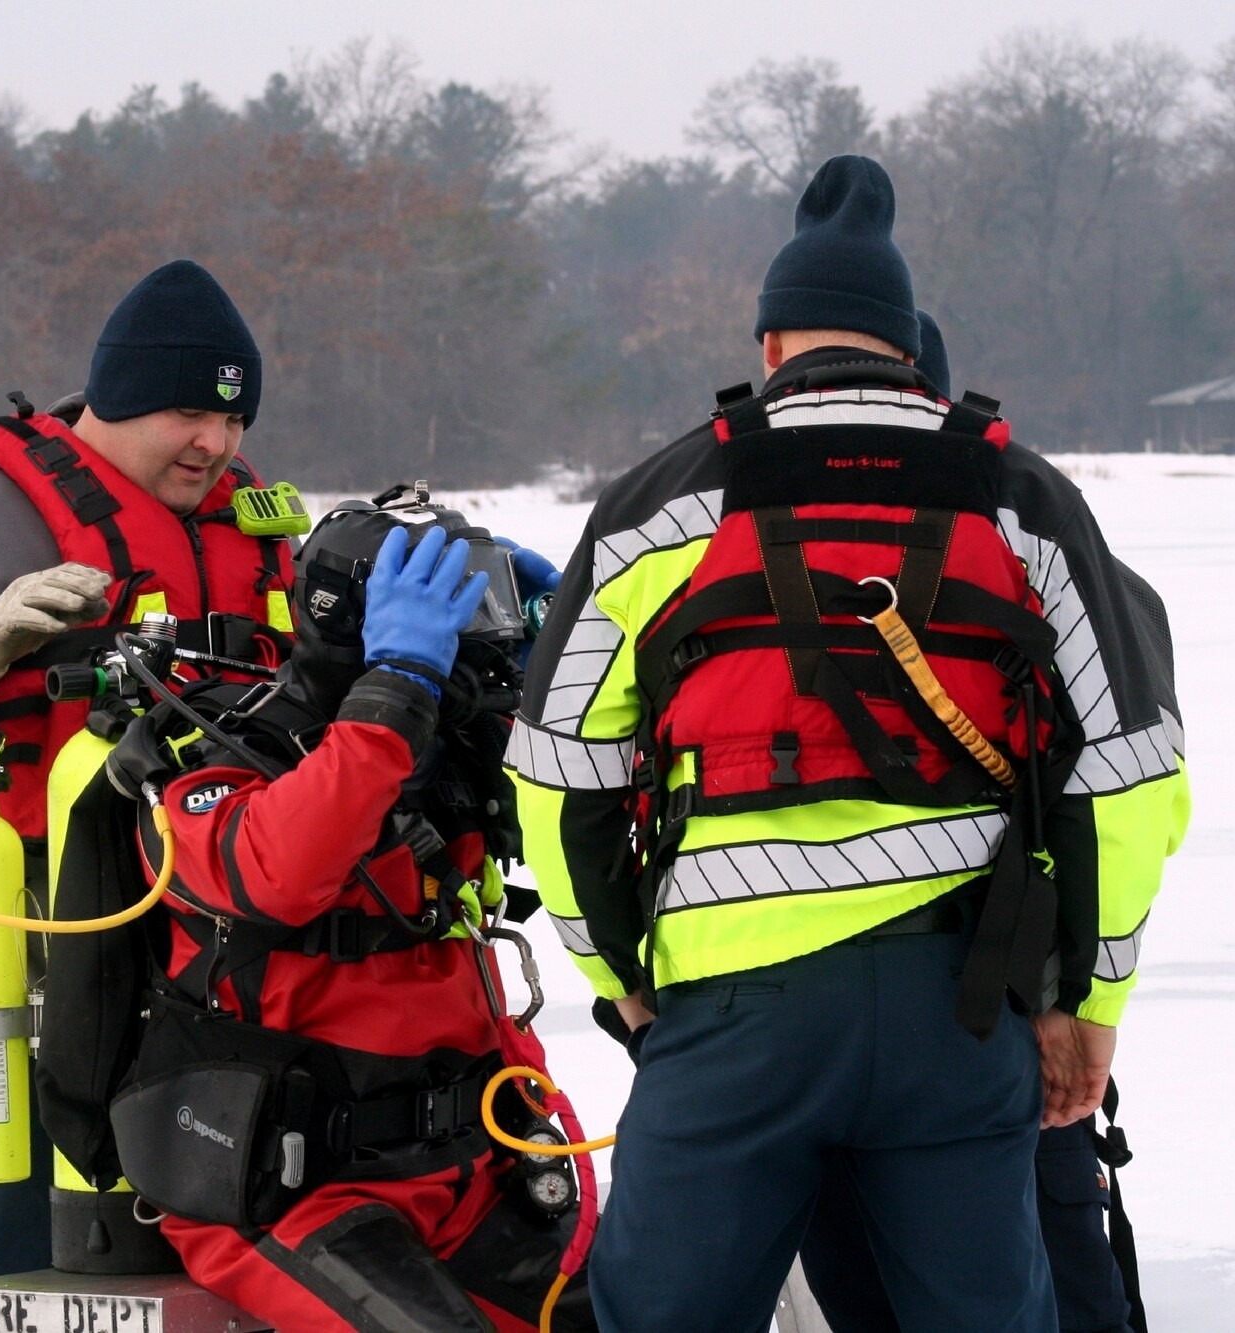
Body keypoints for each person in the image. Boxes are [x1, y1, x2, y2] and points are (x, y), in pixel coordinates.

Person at [507, 155, 1190, 1332]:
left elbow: (553, 771)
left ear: (771, 345)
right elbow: (1125, 779)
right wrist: (1087, 999)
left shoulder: (661, 503)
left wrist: (621, 983)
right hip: (959, 1012)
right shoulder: (1022, 499)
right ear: (908, 354)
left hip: (729, 1020)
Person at [0, 260, 296, 1332]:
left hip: (212, 969)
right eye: (187, 412)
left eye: (232, 416)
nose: (214, 443)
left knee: (211, 1271)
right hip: (26, 962)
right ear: (117, 395)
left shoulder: (250, 523)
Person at [35, 492, 593, 1331]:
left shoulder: (456, 751)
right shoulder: (221, 754)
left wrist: (566, 637)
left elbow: (621, 787)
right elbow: (277, 872)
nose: (476, 632)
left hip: (467, 1167)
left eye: (483, 600)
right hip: (293, 1191)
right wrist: (395, 690)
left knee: (643, 1304)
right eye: (452, 607)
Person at [794, 309, 1172, 1333]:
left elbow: (1124, 800)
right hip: (940, 1031)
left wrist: (1074, 1007)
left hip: (949, 1028)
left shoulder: (1058, 564)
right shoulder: (1061, 560)